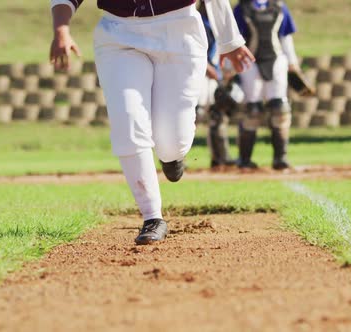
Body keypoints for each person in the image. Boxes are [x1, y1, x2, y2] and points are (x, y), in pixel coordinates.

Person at [49, 0, 255, 245]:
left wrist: (229, 41)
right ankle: (152, 217)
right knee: (128, 119)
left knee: (171, 144)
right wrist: (61, 29)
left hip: (180, 31)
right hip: (119, 34)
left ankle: (172, 156)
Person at [233, 0, 300, 170]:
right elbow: (232, 39)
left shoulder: (279, 6)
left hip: (276, 60)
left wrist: (292, 62)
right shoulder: (242, 8)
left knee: (280, 108)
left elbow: (285, 36)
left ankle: (280, 158)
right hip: (250, 62)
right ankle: (245, 159)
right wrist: (229, 68)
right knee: (252, 111)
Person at [196, 4, 241, 169]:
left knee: (218, 114)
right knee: (194, 115)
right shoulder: (197, 20)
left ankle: (220, 157)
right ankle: (177, 159)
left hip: (215, 73)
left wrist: (226, 73)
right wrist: (210, 69)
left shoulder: (220, 24)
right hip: (198, 73)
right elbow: (192, 50)